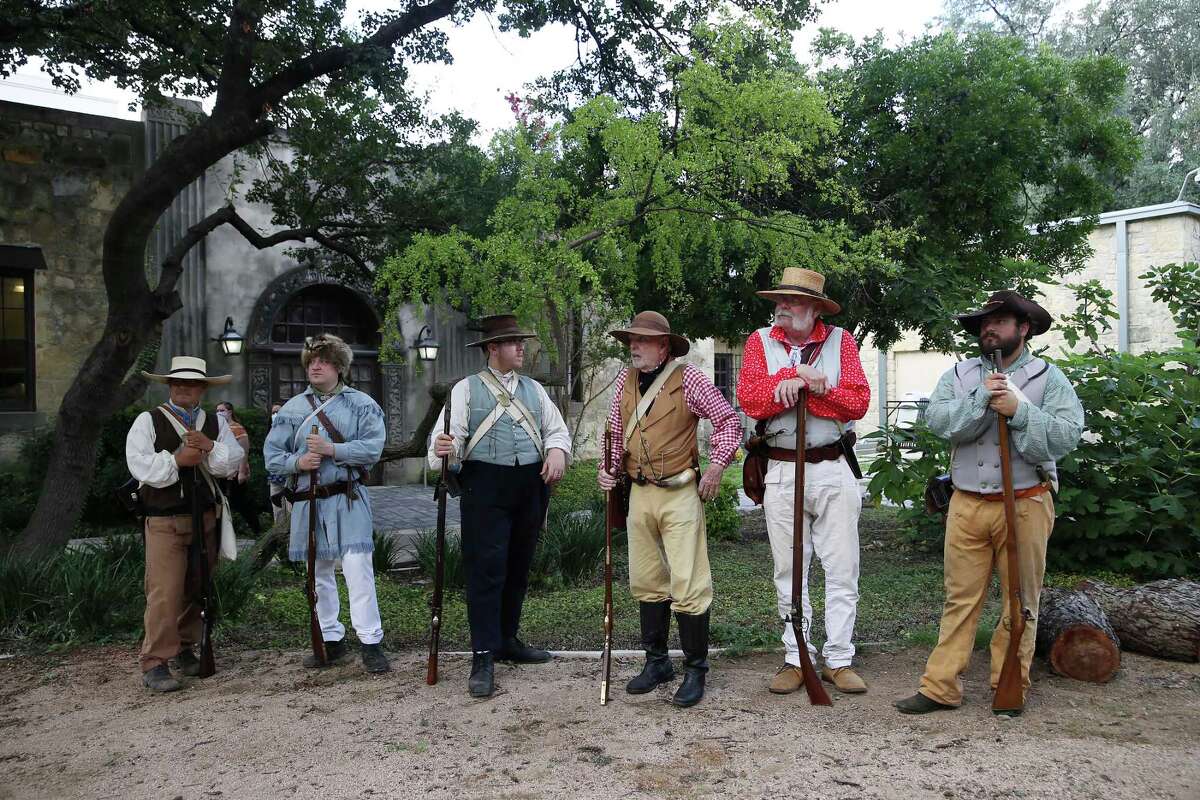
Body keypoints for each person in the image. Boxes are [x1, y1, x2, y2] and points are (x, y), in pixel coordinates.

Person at [895, 291, 1083, 715]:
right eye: (985, 322)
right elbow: (939, 422)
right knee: (959, 599)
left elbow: (1066, 436)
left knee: (1021, 600)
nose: (989, 328)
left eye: (999, 321)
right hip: (967, 504)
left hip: (1026, 503)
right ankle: (940, 687)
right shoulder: (959, 376)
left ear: (1024, 328)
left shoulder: (1048, 378)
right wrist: (981, 398)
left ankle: (1009, 684)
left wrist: (1019, 410)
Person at [735, 267, 871, 696]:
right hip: (781, 468)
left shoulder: (842, 342)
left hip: (833, 465)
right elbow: (752, 399)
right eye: (779, 300)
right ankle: (796, 657)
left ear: (815, 309)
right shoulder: (759, 341)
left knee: (842, 567)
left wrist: (816, 389)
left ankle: (839, 658)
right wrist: (793, 378)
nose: (781, 307)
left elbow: (858, 402)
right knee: (788, 569)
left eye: (791, 301)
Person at [597, 311, 742, 707]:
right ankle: (657, 663)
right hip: (639, 493)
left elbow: (728, 422)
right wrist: (607, 470)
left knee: (688, 583)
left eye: (642, 340)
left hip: (680, 492)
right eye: (632, 339)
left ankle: (695, 671)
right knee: (646, 579)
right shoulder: (625, 381)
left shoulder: (689, 378)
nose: (634, 346)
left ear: (663, 346)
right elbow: (615, 435)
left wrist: (716, 466)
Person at [428, 314, 572, 698]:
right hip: (485, 487)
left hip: (529, 486)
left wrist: (557, 451)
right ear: (493, 349)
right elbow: (446, 444)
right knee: (485, 571)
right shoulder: (465, 390)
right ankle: (483, 654)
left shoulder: (534, 390)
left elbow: (556, 430)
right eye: (513, 342)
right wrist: (444, 450)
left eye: (521, 342)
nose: (521, 347)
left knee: (518, 567)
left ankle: (507, 640)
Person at [263, 334, 390, 674]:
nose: (315, 366)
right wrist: (298, 463)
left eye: (324, 361)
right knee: (318, 574)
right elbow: (272, 457)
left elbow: (373, 449)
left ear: (339, 366)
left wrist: (333, 450)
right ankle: (331, 640)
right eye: (311, 361)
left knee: (358, 570)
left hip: (348, 496)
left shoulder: (362, 405)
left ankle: (371, 643)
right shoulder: (291, 409)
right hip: (309, 501)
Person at [125, 356, 244, 692]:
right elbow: (139, 464)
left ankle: (185, 647)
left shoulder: (214, 422)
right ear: (169, 385)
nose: (183, 388)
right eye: (177, 382)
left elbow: (230, 463)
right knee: (164, 592)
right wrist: (178, 460)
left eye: (191, 383)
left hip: (205, 518)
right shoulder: (148, 420)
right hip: (164, 520)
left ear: (201, 389)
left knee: (197, 586)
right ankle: (155, 661)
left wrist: (209, 446)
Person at [215, 401, 262, 535]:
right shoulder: (218, 428)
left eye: (222, 410)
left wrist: (241, 471)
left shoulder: (237, 428)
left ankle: (257, 531)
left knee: (241, 503)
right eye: (217, 410)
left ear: (229, 412)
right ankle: (223, 534)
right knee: (221, 503)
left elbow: (244, 451)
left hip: (235, 472)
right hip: (222, 471)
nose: (219, 413)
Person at [266, 401, 288, 523]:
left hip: (289, 474)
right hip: (275, 476)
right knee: (278, 510)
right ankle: (279, 531)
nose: (276, 414)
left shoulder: (293, 429)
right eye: (273, 412)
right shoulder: (270, 431)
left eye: (278, 411)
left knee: (290, 508)